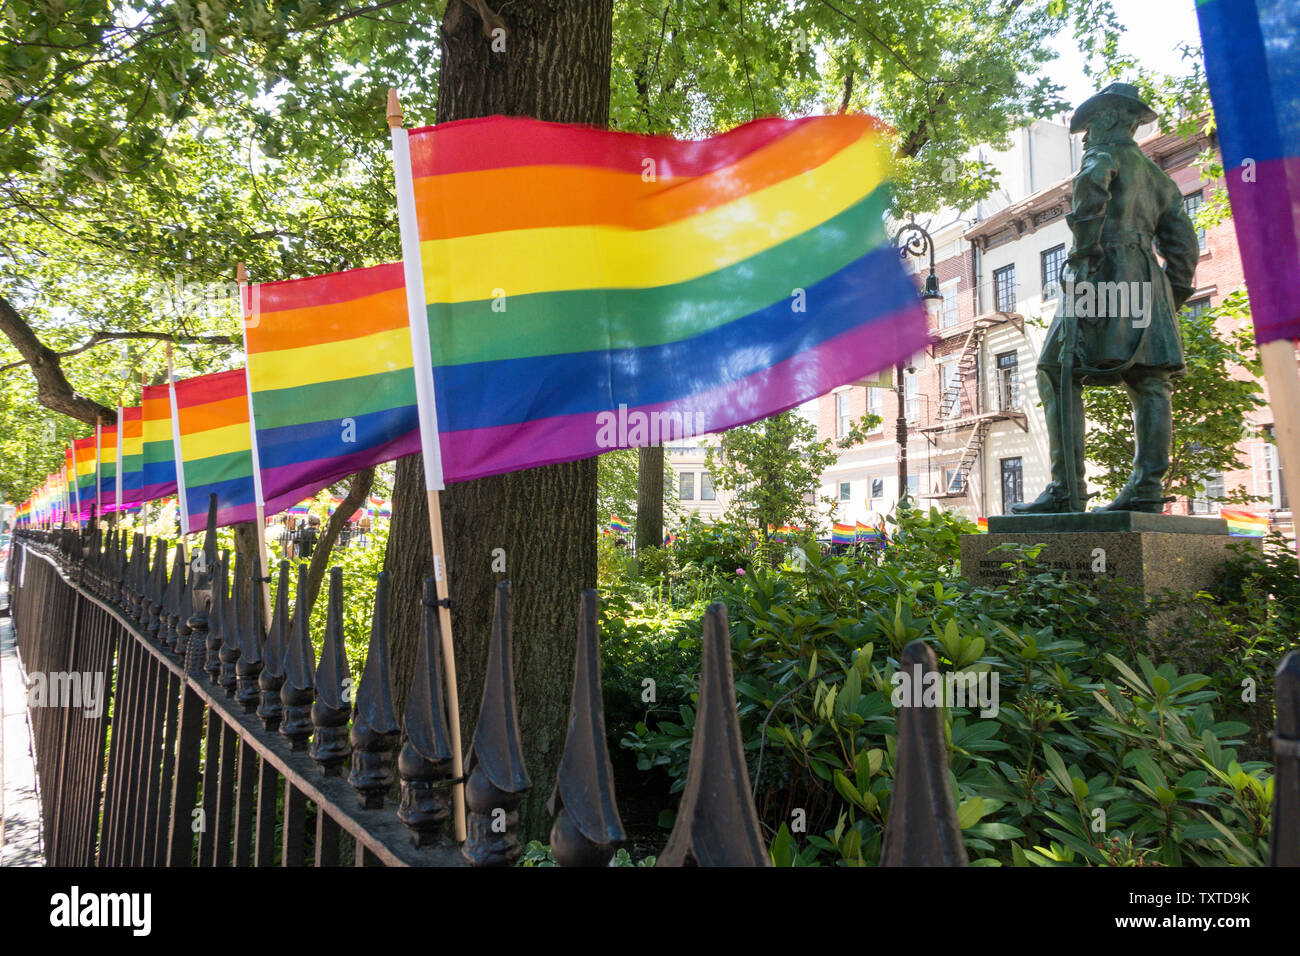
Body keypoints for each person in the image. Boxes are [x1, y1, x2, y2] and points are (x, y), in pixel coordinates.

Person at [1014, 83, 1200, 515]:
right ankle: (1147, 488)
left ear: (1114, 119)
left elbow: (1093, 190)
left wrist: (1084, 251)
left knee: (1054, 370)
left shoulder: (1102, 156)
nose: (1085, 134)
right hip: (1146, 280)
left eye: (1092, 122)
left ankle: (1066, 490)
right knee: (1150, 380)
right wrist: (1167, 298)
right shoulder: (1160, 178)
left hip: (1099, 274)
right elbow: (1183, 246)